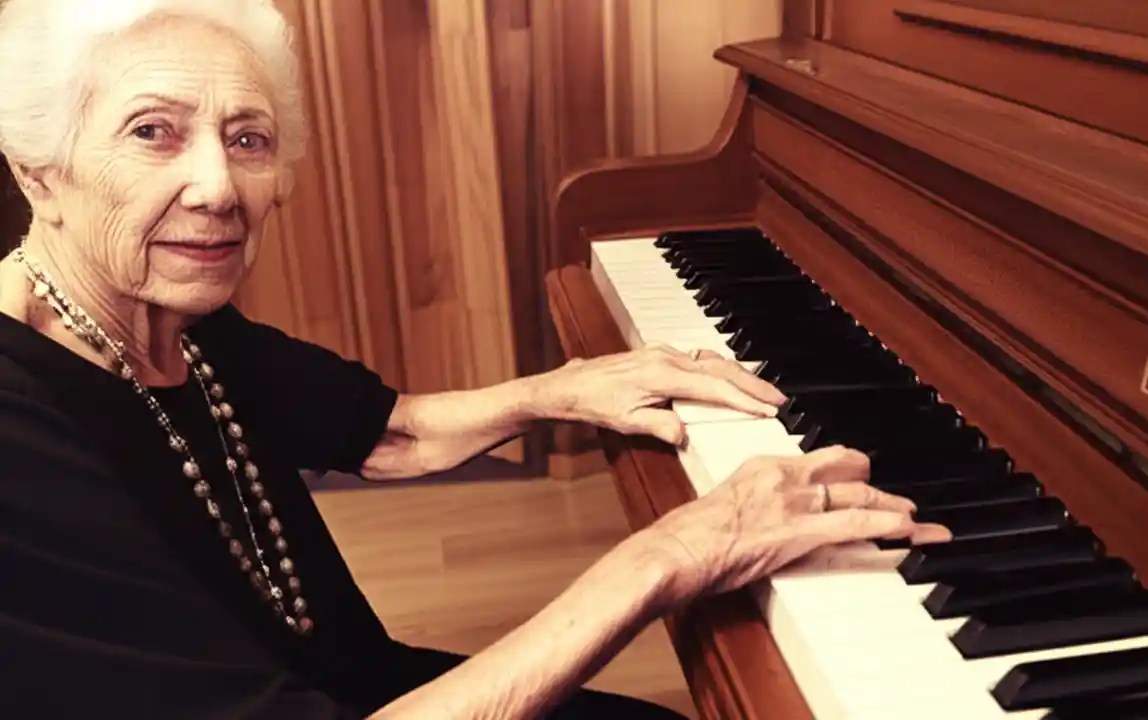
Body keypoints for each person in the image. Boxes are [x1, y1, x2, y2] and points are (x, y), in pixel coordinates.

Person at [0, 1, 950, 717]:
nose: (217, 186)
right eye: (152, 132)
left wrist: (566, 389)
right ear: (39, 168)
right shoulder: (19, 424)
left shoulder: (167, 315)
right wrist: (671, 552)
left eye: (247, 138)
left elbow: (390, 434)